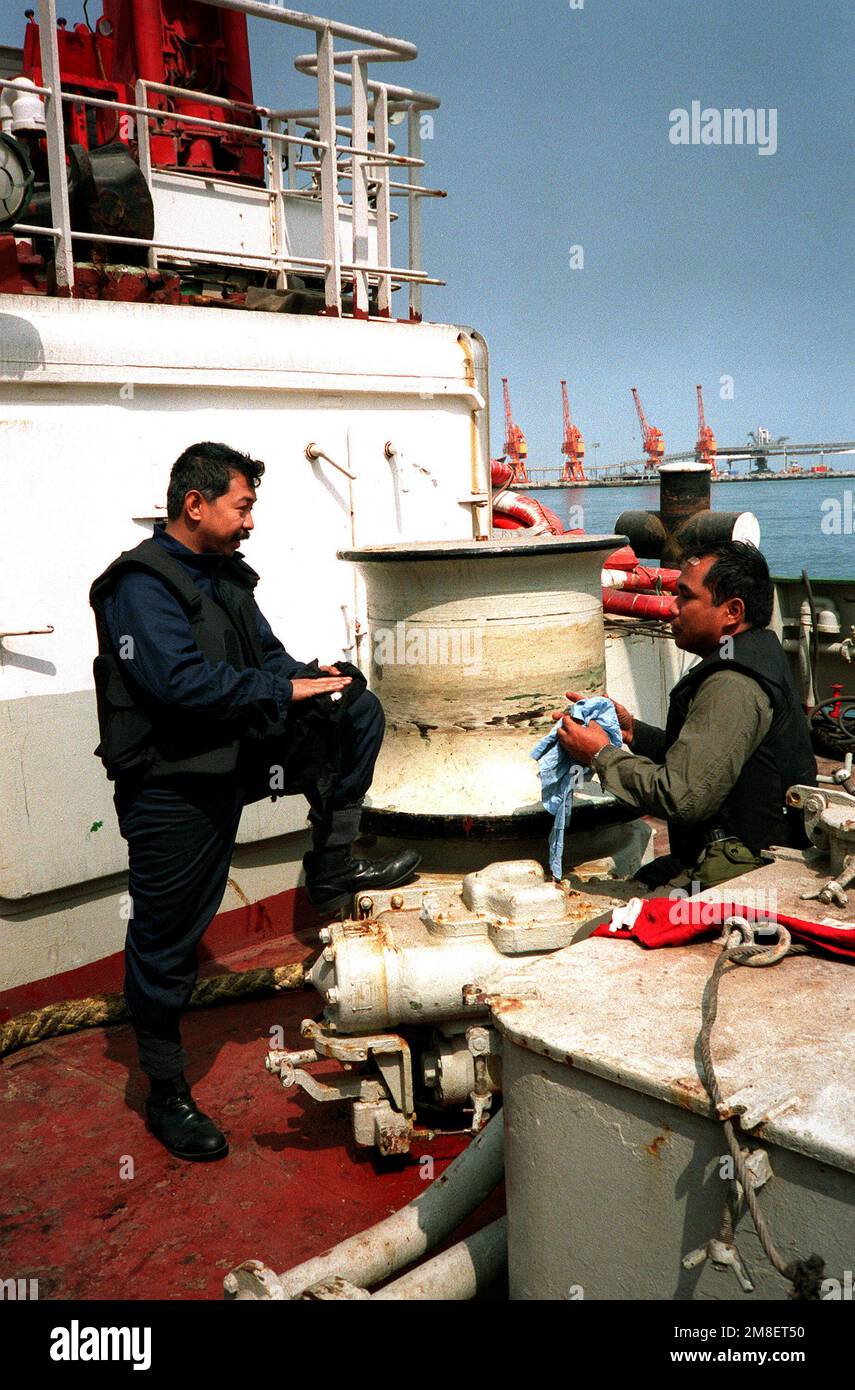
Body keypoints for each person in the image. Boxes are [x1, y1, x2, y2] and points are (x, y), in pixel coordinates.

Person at [89, 442, 420, 1161]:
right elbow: (178, 686)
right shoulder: (138, 586)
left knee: (352, 710)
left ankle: (331, 865)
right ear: (194, 505)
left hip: (235, 754)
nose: (249, 523)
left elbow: (267, 663)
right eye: (242, 507)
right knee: (168, 935)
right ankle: (167, 1091)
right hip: (173, 780)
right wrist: (282, 689)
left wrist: (315, 677)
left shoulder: (226, 578)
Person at [553, 540, 817, 891]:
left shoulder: (731, 684)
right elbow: (711, 761)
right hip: (729, 854)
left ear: (732, 612)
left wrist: (600, 755)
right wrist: (633, 732)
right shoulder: (752, 652)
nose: (672, 608)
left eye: (685, 597)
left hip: (747, 873)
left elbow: (681, 796)